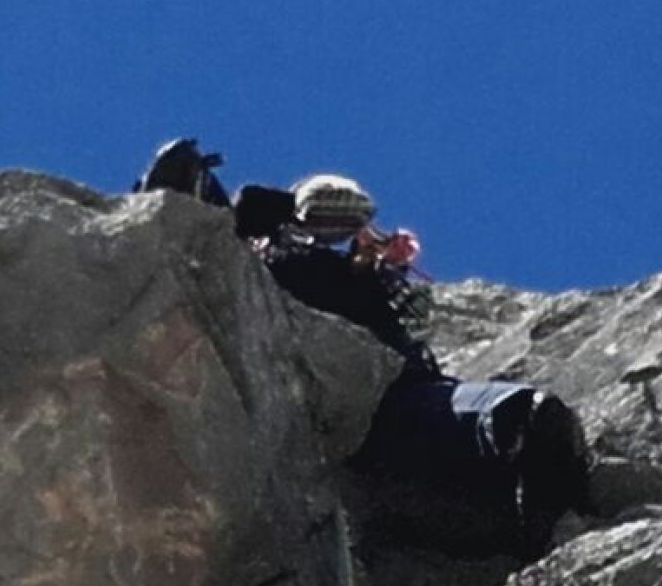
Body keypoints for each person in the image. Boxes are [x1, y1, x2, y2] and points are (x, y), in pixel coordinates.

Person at [136, 144, 591, 558]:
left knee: (533, 418)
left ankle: (532, 529)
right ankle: (527, 528)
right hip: (361, 405)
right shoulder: (262, 257)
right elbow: (191, 214)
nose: (352, 242)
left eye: (351, 232)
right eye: (333, 229)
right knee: (521, 417)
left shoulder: (354, 285)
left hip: (395, 400)